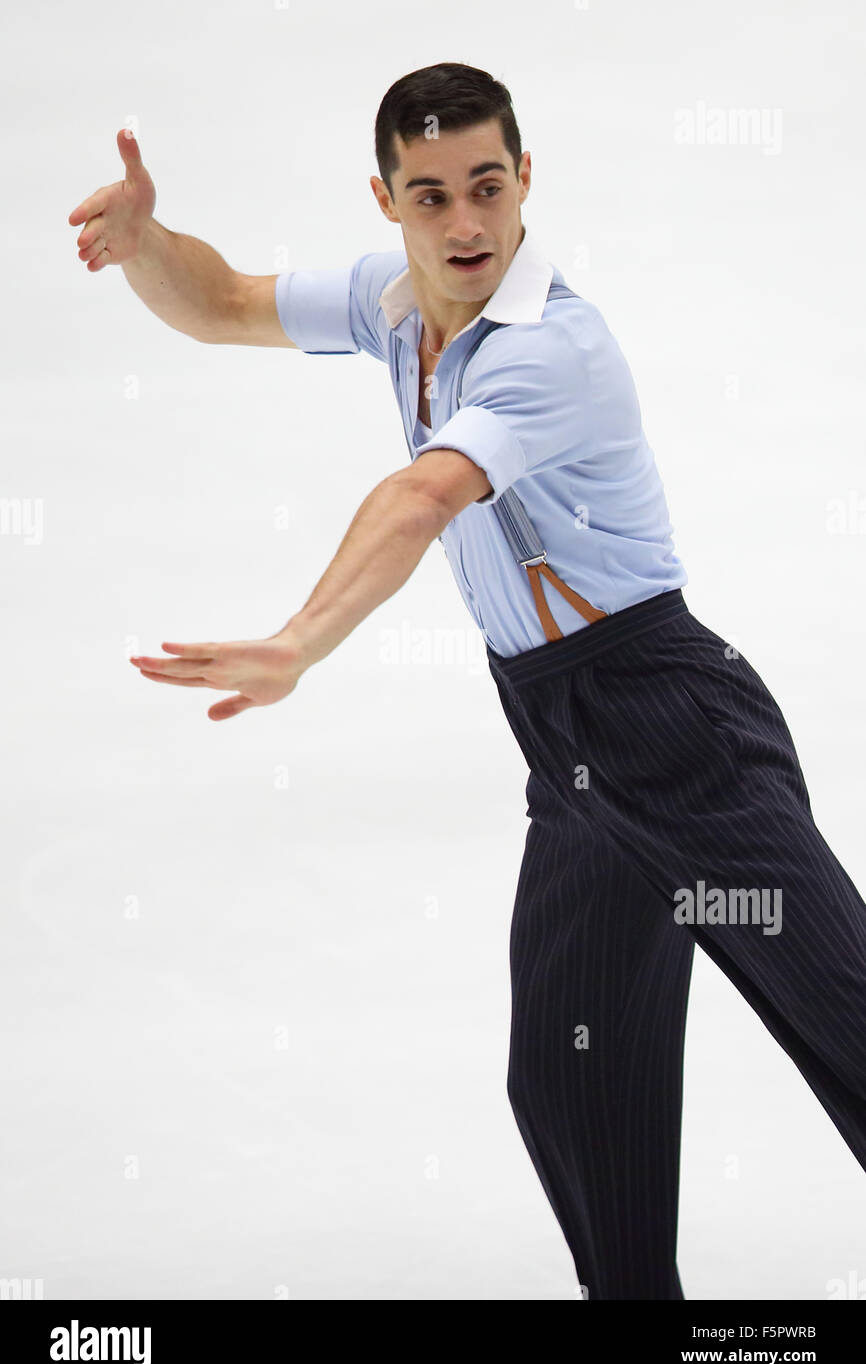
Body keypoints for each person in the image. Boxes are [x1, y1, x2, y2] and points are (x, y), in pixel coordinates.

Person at [69, 61, 866, 1300]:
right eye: (430, 196)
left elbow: (422, 492)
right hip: (569, 750)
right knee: (567, 1075)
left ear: (524, 180)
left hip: (674, 723)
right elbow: (223, 298)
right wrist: (143, 243)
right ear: (387, 200)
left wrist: (304, 634)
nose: (465, 225)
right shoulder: (394, 300)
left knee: (843, 1015)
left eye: (486, 188)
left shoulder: (552, 348)